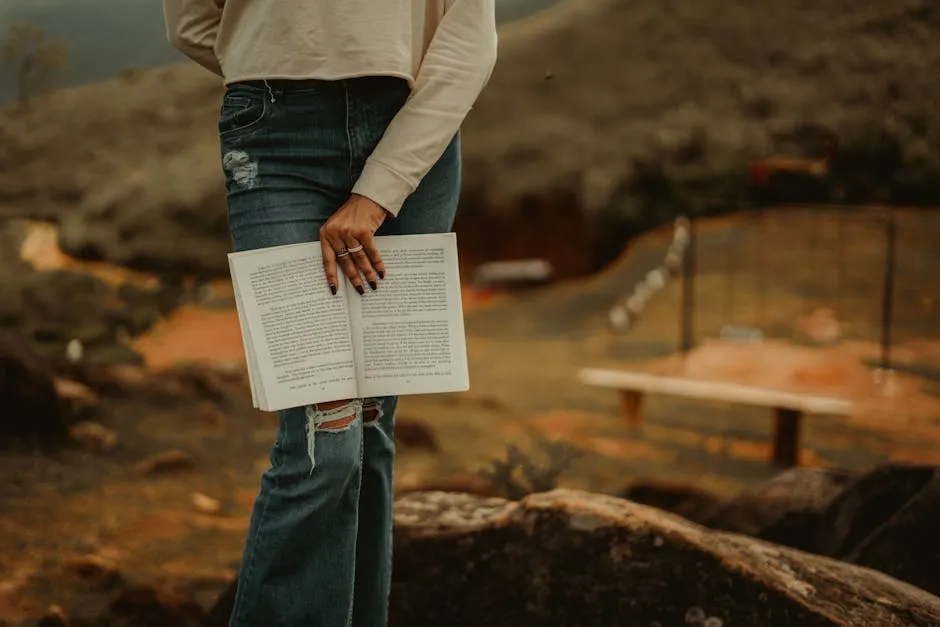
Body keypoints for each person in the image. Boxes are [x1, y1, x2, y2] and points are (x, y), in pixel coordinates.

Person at [162, 1, 497, 625]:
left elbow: (470, 36)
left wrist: (378, 191)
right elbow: (189, 20)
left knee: (370, 430)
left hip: (416, 134)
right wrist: (283, 64)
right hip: (277, 142)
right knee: (327, 439)